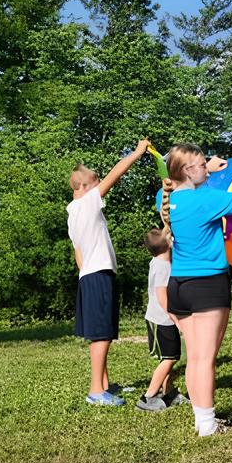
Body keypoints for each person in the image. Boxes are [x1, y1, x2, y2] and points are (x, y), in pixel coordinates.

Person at [159, 144, 232, 437]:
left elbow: (177, 187)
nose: (208, 166)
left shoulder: (168, 200)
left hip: (179, 286)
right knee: (205, 359)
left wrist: (210, 172)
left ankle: (201, 418)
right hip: (206, 286)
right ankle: (207, 424)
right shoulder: (204, 201)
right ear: (188, 171)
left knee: (195, 356)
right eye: (203, 164)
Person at [67, 139, 150, 406]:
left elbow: (79, 254)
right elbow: (116, 174)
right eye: (95, 182)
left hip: (90, 275)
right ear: (83, 187)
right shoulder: (87, 203)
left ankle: (103, 385)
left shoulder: (72, 213)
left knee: (101, 330)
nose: (99, 185)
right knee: (102, 333)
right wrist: (138, 152)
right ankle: (96, 391)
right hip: (98, 274)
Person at [138, 228, 187, 411]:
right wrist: (177, 320)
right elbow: (162, 297)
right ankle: (148, 397)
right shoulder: (162, 266)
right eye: (169, 236)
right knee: (169, 358)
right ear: (167, 244)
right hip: (162, 320)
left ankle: (168, 393)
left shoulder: (160, 261)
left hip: (163, 319)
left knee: (171, 357)